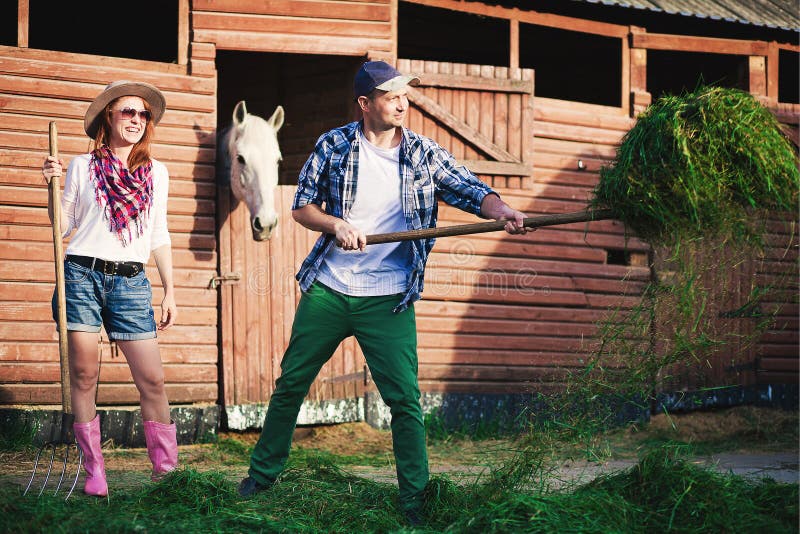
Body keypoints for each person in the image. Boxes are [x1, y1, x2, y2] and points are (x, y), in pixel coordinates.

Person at [237, 61, 530, 524]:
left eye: (404, 95)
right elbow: (301, 207)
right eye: (391, 95)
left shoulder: (423, 154)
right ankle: (261, 477)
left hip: (389, 296)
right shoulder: (333, 145)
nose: (402, 102)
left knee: (404, 400)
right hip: (331, 289)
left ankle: (414, 499)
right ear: (365, 103)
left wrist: (504, 209)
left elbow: (473, 191)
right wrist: (335, 224)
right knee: (291, 382)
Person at [41, 80, 179, 497]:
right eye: (127, 112)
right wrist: (50, 185)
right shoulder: (82, 167)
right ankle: (94, 473)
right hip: (81, 276)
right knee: (84, 374)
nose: (136, 120)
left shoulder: (157, 172)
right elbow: (61, 226)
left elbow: (158, 232)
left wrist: (170, 289)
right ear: (110, 117)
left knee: (152, 380)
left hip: (131, 281)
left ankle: (167, 473)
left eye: (143, 114)